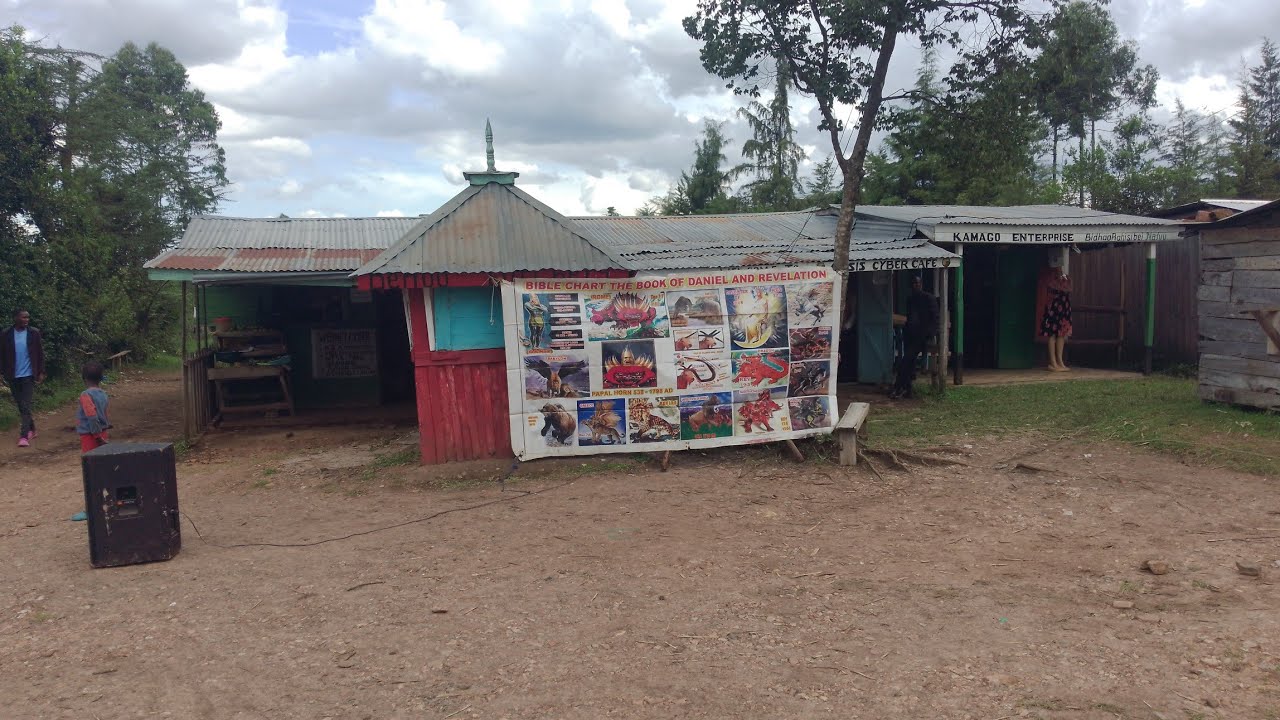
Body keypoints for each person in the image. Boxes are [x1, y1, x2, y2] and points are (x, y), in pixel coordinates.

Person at [1, 309, 46, 447]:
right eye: (23, 317)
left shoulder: (34, 333)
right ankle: (32, 428)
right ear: (15, 318)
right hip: (13, 375)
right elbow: (2, 355)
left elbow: (40, 353)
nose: (26, 320)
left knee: (25, 404)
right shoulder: (6, 334)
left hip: (28, 374)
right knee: (21, 405)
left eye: (28, 317)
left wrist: (41, 371)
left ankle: (24, 436)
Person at [890, 276, 939, 400]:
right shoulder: (911, 299)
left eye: (917, 283)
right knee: (908, 363)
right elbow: (910, 316)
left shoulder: (928, 298)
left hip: (922, 335)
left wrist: (930, 334)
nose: (915, 286)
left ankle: (899, 387)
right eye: (913, 284)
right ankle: (906, 389)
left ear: (921, 284)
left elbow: (935, 318)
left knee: (906, 361)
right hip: (910, 333)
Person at [77, 360, 111, 453]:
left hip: (91, 436)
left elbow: (92, 416)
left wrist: (97, 437)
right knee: (102, 460)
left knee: (91, 463)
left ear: (84, 378)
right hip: (103, 432)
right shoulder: (103, 394)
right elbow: (104, 413)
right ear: (100, 378)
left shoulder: (85, 395)